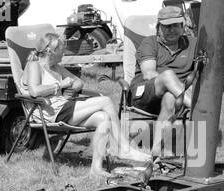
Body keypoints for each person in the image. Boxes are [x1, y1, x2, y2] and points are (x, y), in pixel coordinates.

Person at [23, 31, 149, 175]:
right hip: (49, 113)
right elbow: (34, 91)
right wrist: (60, 85)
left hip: (62, 109)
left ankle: (96, 169)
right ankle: (123, 148)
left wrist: (74, 86)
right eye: (61, 49)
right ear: (50, 51)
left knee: (103, 118)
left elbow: (79, 82)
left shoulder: (56, 68)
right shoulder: (34, 66)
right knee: (106, 101)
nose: (64, 52)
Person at [131, 3, 199, 156]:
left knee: (170, 97)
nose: (172, 30)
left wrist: (175, 89)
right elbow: (148, 73)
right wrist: (174, 83)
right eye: (167, 27)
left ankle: (159, 149)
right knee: (168, 76)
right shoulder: (150, 42)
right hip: (145, 92)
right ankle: (198, 110)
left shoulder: (192, 44)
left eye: (176, 25)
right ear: (158, 27)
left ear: (183, 26)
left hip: (175, 95)